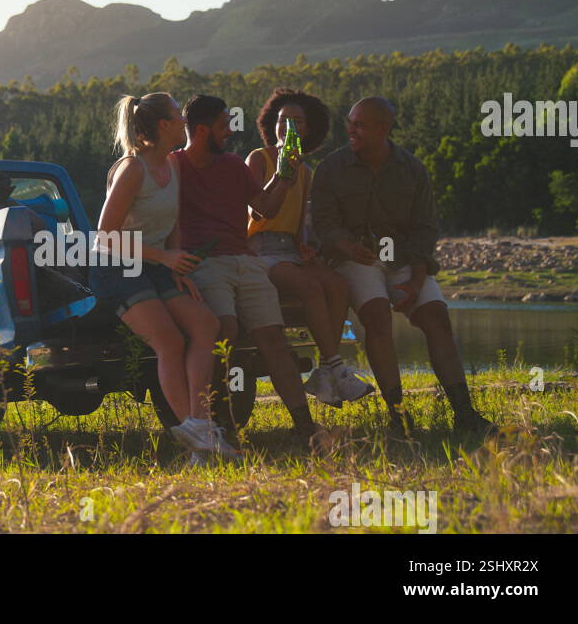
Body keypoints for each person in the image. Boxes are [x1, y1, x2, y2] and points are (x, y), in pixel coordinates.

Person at [311, 96, 497, 436]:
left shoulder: (413, 169)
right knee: (377, 316)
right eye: (350, 122)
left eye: (360, 125)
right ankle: (399, 417)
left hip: (403, 256)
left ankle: (465, 414)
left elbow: (425, 230)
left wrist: (416, 280)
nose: (350, 129)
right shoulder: (330, 168)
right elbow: (323, 225)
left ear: (383, 129)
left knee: (437, 318)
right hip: (354, 258)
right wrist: (349, 247)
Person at [87, 92, 237, 460]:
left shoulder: (174, 164)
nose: (185, 122)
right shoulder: (132, 169)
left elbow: (172, 223)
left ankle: (198, 427)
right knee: (168, 341)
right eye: (177, 115)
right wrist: (164, 257)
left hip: (158, 263)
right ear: (164, 125)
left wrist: (180, 263)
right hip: (116, 265)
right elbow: (106, 235)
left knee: (205, 325)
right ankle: (196, 429)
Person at [173, 94, 325, 447]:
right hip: (204, 262)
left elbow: (265, 208)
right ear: (201, 130)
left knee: (273, 337)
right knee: (224, 329)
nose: (230, 132)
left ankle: (304, 425)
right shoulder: (173, 166)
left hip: (244, 259)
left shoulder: (233, 166)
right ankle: (222, 426)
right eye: (224, 125)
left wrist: (286, 172)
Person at [246, 88, 373, 406]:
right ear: (272, 124)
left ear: (307, 129)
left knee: (337, 284)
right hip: (258, 247)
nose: (287, 126)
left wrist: (306, 247)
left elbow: (300, 220)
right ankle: (335, 367)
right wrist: (279, 176)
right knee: (310, 288)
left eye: (296, 121)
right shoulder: (258, 159)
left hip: (288, 247)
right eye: (282, 119)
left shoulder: (305, 171)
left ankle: (323, 373)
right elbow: (254, 211)